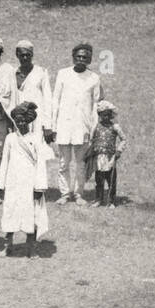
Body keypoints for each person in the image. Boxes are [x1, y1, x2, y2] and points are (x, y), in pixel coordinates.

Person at [51, 42, 102, 205]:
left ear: (90, 59)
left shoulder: (94, 78)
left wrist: (93, 128)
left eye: (85, 57)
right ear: (73, 57)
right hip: (64, 125)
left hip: (83, 126)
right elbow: (56, 100)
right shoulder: (63, 74)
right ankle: (65, 193)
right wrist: (53, 126)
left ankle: (79, 194)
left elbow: (95, 105)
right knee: (64, 163)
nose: (81, 59)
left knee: (80, 163)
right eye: (78, 56)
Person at [0, 102, 49, 258]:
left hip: (30, 183)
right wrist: (1, 184)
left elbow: (41, 164)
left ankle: (31, 248)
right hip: (13, 182)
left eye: (23, 120)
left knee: (31, 215)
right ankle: (8, 245)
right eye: (17, 120)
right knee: (10, 212)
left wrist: (39, 187)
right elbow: (4, 161)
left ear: (28, 121)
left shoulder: (36, 138)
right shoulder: (10, 138)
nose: (20, 123)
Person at [12, 41, 54, 144]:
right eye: (22, 55)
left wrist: (47, 125)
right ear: (17, 55)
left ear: (32, 55)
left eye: (28, 55)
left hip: (37, 119)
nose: (25, 58)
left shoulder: (41, 72)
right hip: (19, 119)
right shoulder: (12, 73)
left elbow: (48, 100)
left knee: (37, 149)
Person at [88, 101, 125, 207]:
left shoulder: (115, 127)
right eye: (104, 115)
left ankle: (111, 201)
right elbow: (91, 139)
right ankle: (98, 199)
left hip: (110, 157)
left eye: (108, 115)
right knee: (99, 179)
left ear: (111, 115)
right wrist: (92, 150)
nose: (106, 117)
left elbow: (123, 139)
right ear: (99, 115)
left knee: (111, 179)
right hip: (99, 157)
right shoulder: (96, 126)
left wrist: (119, 151)